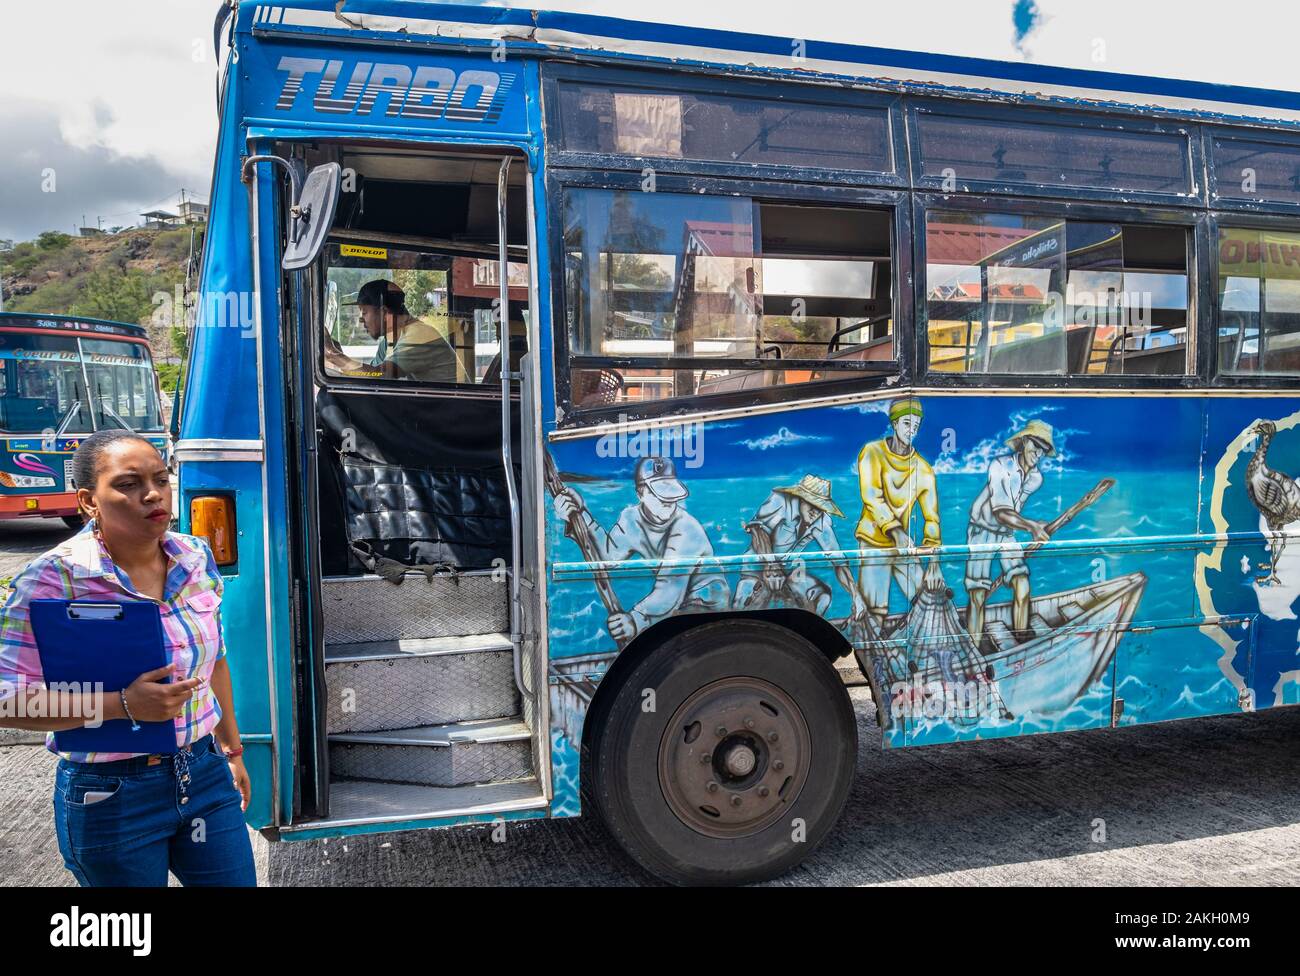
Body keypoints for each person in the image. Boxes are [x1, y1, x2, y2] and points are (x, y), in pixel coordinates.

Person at [0, 429, 256, 886]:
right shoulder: (52, 579)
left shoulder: (195, 556)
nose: (153, 494)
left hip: (203, 774)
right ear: (88, 501)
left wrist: (232, 750)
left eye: (161, 478)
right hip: (110, 794)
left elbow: (215, 659)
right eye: (127, 484)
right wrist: (122, 705)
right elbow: (7, 702)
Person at [554, 456, 730, 643]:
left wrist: (634, 620)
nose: (667, 500)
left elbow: (670, 590)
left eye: (670, 491)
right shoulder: (631, 518)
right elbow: (607, 556)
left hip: (704, 606)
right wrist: (579, 515)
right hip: (675, 609)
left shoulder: (687, 528)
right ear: (640, 494)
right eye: (657, 493)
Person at [965, 419, 1055, 646]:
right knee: (977, 595)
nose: (1039, 453)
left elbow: (1015, 510)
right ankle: (974, 651)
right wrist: (1032, 527)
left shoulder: (1036, 478)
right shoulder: (1000, 466)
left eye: (1044, 449)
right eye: (1036, 445)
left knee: (1022, 585)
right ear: (1024, 441)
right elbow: (1001, 512)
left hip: (1006, 533)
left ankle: (1022, 641)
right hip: (982, 530)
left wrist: (1033, 523)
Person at [854, 398, 941, 628]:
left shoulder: (923, 469)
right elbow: (872, 497)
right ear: (894, 423)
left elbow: (932, 518)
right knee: (875, 611)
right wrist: (897, 532)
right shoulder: (871, 452)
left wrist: (933, 563)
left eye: (916, 425)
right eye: (906, 423)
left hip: (904, 545)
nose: (911, 430)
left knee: (927, 600)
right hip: (874, 541)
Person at [734, 474, 864, 618]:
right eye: (812, 504)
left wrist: (855, 594)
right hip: (755, 569)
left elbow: (838, 560)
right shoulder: (780, 501)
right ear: (801, 498)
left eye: (820, 507)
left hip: (786, 573)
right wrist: (771, 565)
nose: (816, 511)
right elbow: (758, 531)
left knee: (821, 596)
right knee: (740, 611)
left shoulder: (821, 520)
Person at [323, 279, 463, 382]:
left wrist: (333, 355)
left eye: (364, 312)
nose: (361, 319)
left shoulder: (419, 335)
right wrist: (338, 354)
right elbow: (368, 377)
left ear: (384, 312)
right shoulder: (390, 340)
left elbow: (380, 375)